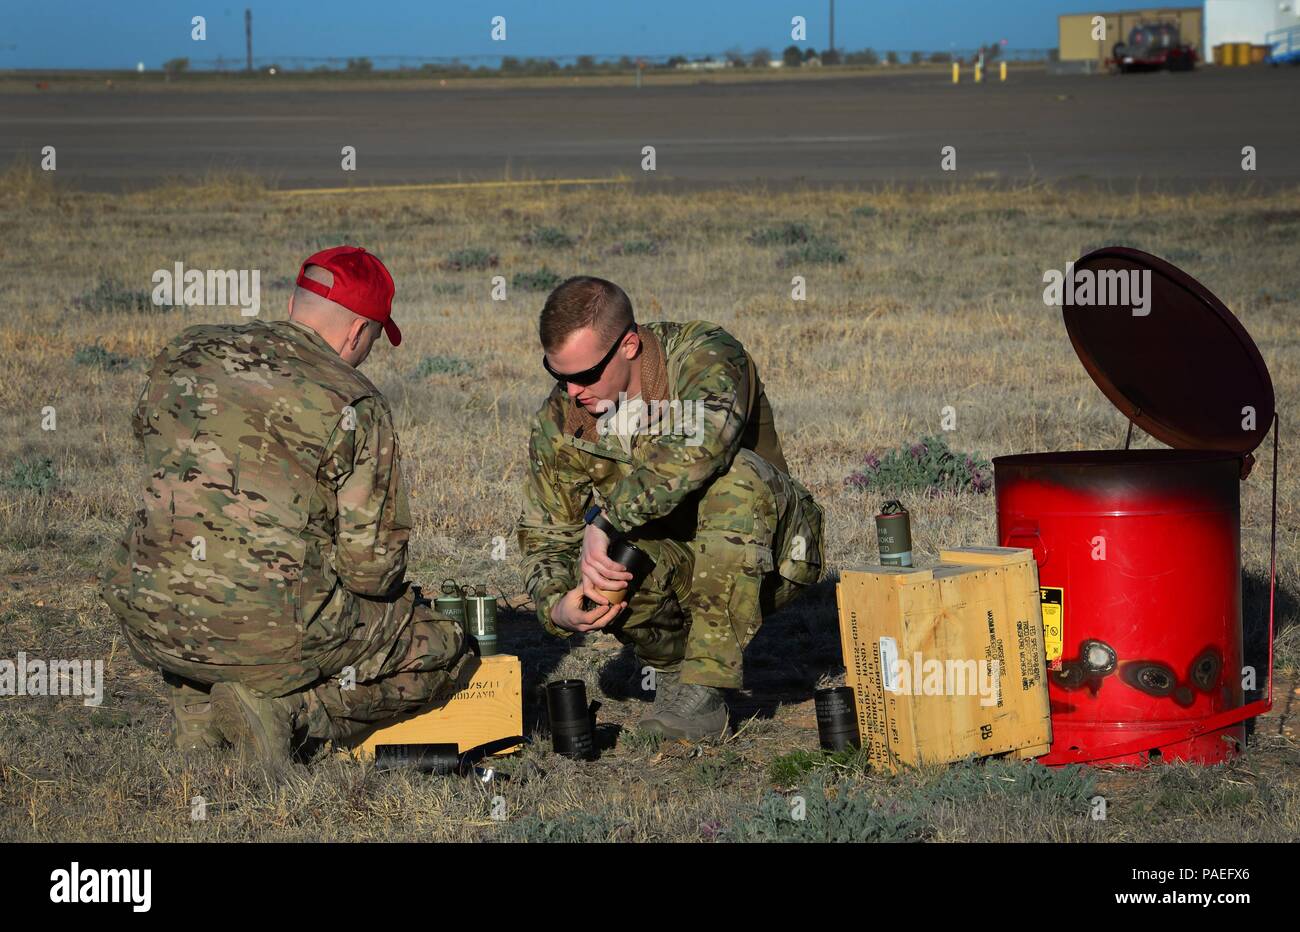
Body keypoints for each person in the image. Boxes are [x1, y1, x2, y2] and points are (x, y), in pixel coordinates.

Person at [102, 246, 473, 769]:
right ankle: (292, 712)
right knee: (446, 645)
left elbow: (147, 443)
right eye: (372, 339)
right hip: (268, 635)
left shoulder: (187, 349)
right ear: (357, 332)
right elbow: (371, 573)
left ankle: (198, 703)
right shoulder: (354, 402)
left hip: (148, 616)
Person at [517, 276, 824, 741]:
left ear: (630, 345)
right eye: (558, 374)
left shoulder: (706, 354)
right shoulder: (562, 419)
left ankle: (704, 686)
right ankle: (674, 669)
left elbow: (703, 444)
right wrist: (558, 608)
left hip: (771, 555)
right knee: (612, 561)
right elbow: (546, 533)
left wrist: (605, 520)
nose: (573, 389)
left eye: (586, 374)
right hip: (673, 562)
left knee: (736, 478)